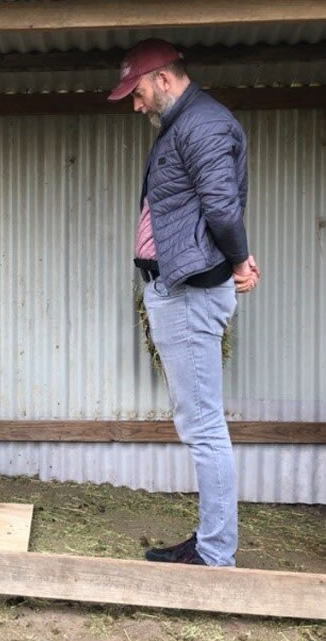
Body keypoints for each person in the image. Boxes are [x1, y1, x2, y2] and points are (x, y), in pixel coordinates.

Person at [108, 39, 260, 567]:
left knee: (203, 427)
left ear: (165, 80)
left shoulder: (204, 125)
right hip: (177, 290)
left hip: (193, 294)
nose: (136, 103)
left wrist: (240, 261)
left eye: (139, 92)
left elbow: (221, 204)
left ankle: (216, 554)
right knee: (197, 423)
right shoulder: (185, 125)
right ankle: (210, 540)